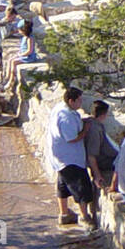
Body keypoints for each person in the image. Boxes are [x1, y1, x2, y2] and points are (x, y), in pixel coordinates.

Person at [47, 87, 96, 227]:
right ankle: (85, 216)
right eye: (79, 100)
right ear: (71, 101)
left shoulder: (61, 108)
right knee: (80, 187)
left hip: (59, 156)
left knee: (62, 184)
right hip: (70, 158)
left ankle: (64, 214)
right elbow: (72, 138)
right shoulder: (66, 117)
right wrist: (86, 130)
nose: (81, 103)